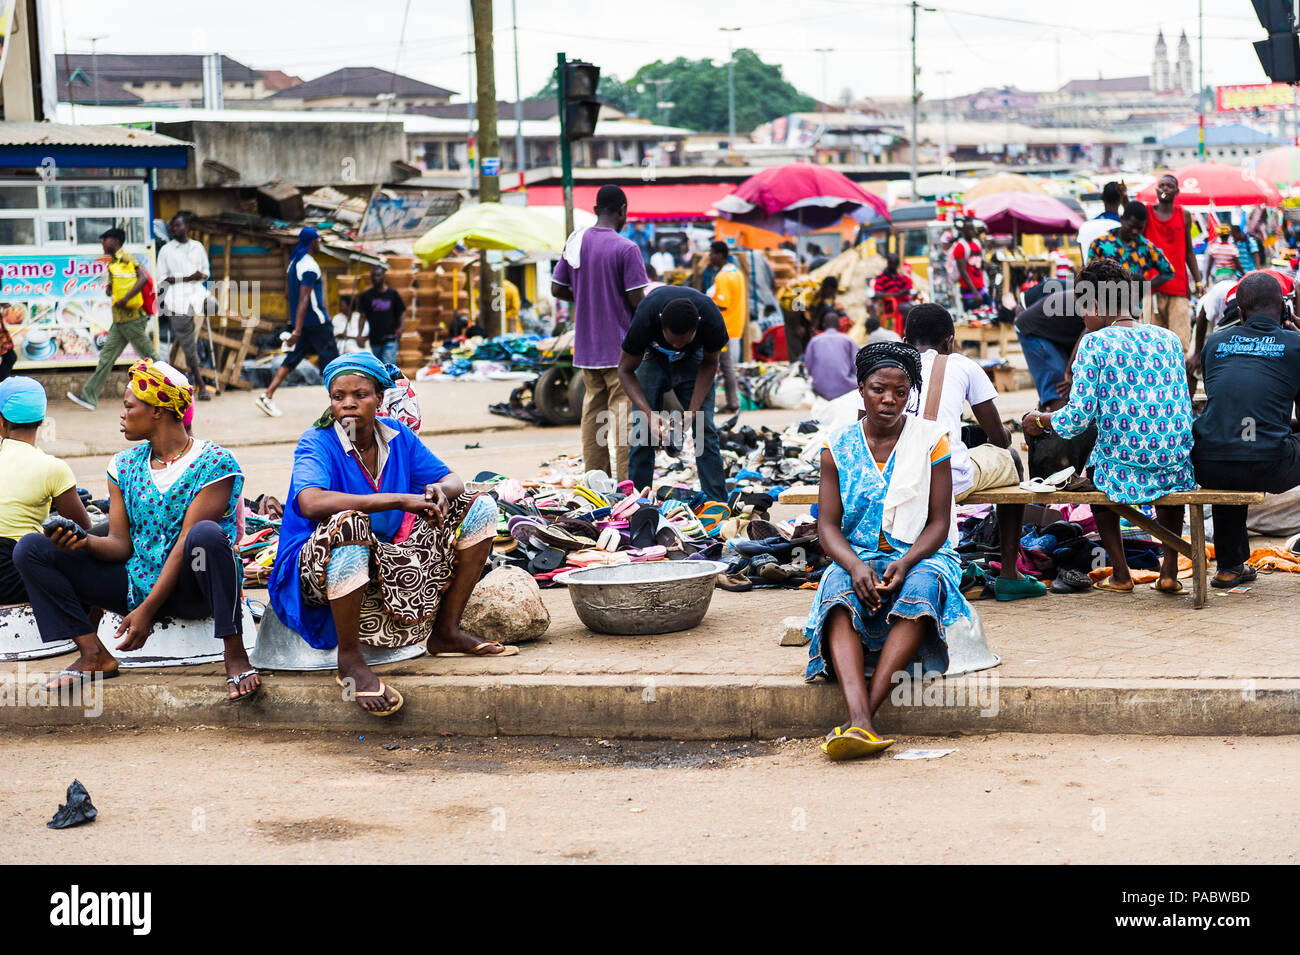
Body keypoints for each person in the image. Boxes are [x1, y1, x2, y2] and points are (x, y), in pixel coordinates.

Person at [269, 353, 510, 716]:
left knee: (479, 506)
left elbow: (453, 480)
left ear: (380, 399)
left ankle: (446, 631)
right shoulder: (317, 441)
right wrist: (398, 498)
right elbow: (310, 502)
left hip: (382, 550)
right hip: (315, 563)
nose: (348, 404)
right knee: (350, 521)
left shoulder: (398, 437)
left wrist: (438, 493)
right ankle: (350, 660)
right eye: (339, 396)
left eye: (360, 395)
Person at [15, 360, 258, 698]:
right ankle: (92, 653)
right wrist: (81, 542)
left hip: (194, 589)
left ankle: (235, 654)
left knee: (205, 535)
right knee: (30, 548)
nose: (122, 414)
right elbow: (119, 545)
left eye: (129, 406)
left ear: (158, 410)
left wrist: (146, 611)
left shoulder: (215, 463)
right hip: (134, 586)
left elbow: (188, 538)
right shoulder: (124, 465)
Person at [804, 342, 972, 760]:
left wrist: (907, 559)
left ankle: (862, 720)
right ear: (861, 388)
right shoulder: (837, 445)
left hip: (920, 553)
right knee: (838, 590)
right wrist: (856, 565)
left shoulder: (932, 439)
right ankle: (859, 715)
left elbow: (938, 523)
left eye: (901, 392)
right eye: (879, 389)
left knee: (923, 585)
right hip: (856, 553)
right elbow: (827, 526)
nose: (889, 400)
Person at [1020, 258, 1196, 594]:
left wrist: (1039, 420)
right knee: (1165, 481)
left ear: (1098, 304)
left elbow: (1075, 420)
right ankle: (1170, 570)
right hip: (1175, 461)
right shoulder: (1168, 338)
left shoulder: (1095, 342)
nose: (1084, 318)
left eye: (1084, 308)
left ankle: (1120, 573)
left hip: (1122, 468)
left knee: (1093, 471)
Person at [904, 304, 1043, 601]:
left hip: (896, 478)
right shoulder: (962, 364)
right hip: (948, 479)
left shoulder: (888, 365)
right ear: (948, 342)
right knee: (1012, 459)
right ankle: (1009, 574)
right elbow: (998, 438)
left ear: (905, 341)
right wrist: (1001, 434)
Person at [1191, 272, 1300, 588]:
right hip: (1266, 463)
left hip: (1208, 462)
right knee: (1249, 451)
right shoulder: (1295, 345)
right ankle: (1231, 564)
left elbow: (1229, 404)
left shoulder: (1215, 343)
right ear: (1283, 308)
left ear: (1239, 312)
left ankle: (1229, 567)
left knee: (1231, 449)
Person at [551, 185, 649, 482]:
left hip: (586, 349)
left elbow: (557, 288)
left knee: (592, 415)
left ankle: (596, 480)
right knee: (621, 420)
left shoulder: (576, 242)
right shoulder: (626, 248)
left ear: (595, 210)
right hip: (621, 351)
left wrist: (584, 295)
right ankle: (624, 484)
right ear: (623, 210)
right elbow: (637, 301)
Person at [619, 289, 727, 501]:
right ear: (661, 326)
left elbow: (710, 363)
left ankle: (718, 503)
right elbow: (624, 370)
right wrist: (649, 415)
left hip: (693, 360)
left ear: (697, 328)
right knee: (644, 431)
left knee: (704, 428)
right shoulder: (646, 317)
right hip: (652, 356)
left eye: (683, 342)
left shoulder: (712, 321)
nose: (677, 346)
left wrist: (692, 412)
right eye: (673, 341)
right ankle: (637, 504)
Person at [0, 378, 92, 603]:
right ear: (41, 420)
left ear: (2, 422)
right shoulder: (52, 467)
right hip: (12, 575)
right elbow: (84, 530)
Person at [67, 228, 159, 411]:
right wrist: (111, 290)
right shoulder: (115, 262)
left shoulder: (126, 258)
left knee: (152, 359)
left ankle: (176, 388)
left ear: (115, 241)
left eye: (105, 239)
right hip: (120, 321)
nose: (102, 243)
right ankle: (89, 397)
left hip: (132, 320)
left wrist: (125, 298)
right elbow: (118, 284)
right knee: (106, 359)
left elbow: (143, 278)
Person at [255, 227, 340, 418]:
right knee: (334, 363)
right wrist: (298, 330)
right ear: (312, 242)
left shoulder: (293, 264)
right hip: (316, 324)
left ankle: (267, 395)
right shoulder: (309, 266)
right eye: (318, 240)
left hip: (301, 323)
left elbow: (288, 295)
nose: (319, 244)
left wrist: (294, 323)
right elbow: (303, 299)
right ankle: (340, 405)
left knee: (291, 359)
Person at [156, 213, 212, 401]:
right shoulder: (166, 250)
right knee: (188, 344)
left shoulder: (197, 247)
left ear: (186, 226)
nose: (174, 229)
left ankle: (182, 377)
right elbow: (162, 278)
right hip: (176, 301)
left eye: (178, 226)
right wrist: (186, 278)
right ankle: (201, 385)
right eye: (172, 226)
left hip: (197, 297)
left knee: (213, 307)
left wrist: (198, 276)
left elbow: (206, 272)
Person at [1142, 174, 1201, 351]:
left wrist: (1198, 281)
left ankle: (1180, 377)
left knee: (1180, 341)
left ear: (1177, 191)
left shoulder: (1183, 215)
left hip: (1178, 288)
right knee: (1151, 342)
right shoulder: (1147, 213)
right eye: (1162, 185)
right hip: (1151, 287)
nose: (1165, 189)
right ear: (1157, 190)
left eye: (1169, 186)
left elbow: (1189, 251)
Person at [1086, 202, 1174, 312]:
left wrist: (1143, 286)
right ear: (1122, 219)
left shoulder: (1146, 248)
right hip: (1104, 308)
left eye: (1139, 228)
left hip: (1134, 310)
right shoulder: (1100, 244)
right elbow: (1088, 275)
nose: (1135, 231)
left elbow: (1168, 271)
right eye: (1131, 226)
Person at [1014, 281, 1084, 411]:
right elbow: (1087, 335)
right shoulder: (1102, 304)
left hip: (1057, 331)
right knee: (1060, 386)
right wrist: (1069, 372)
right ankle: (1056, 426)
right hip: (1034, 331)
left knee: (1073, 388)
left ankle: (1047, 418)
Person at [706, 241, 747, 415]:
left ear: (720, 255)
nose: (710, 257)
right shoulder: (737, 273)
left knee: (718, 366)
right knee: (727, 366)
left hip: (723, 328)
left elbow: (721, 305)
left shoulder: (723, 277)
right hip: (734, 327)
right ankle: (733, 402)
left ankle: (728, 403)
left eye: (712, 254)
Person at [803, 312, 858, 400]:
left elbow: (808, 366)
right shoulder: (847, 340)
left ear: (824, 325)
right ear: (839, 324)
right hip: (846, 386)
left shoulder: (814, 341)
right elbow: (856, 365)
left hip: (820, 387)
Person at [357, 266, 406, 365]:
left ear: (384, 276)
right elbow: (362, 316)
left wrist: (401, 328)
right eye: (373, 276)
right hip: (375, 338)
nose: (376, 278)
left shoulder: (393, 294)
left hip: (390, 337)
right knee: (378, 367)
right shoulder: (366, 296)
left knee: (388, 365)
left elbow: (401, 312)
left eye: (378, 275)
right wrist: (360, 335)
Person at [1077, 181, 1125, 263]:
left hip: (1088, 274)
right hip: (1118, 274)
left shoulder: (1085, 226)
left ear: (1102, 197)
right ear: (1121, 199)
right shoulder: (1123, 228)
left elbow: (1083, 260)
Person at [949, 220, 989, 309]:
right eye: (967, 230)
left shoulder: (976, 243)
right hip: (970, 291)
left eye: (972, 229)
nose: (970, 232)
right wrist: (975, 293)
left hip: (981, 288)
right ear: (963, 231)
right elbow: (963, 271)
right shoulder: (960, 246)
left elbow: (981, 264)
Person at [872, 253, 914, 328]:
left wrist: (906, 291)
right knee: (910, 310)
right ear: (888, 263)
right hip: (890, 305)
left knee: (919, 308)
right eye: (893, 264)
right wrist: (897, 294)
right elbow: (878, 294)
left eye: (896, 264)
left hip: (903, 303)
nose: (894, 266)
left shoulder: (899, 276)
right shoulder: (881, 277)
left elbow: (908, 288)